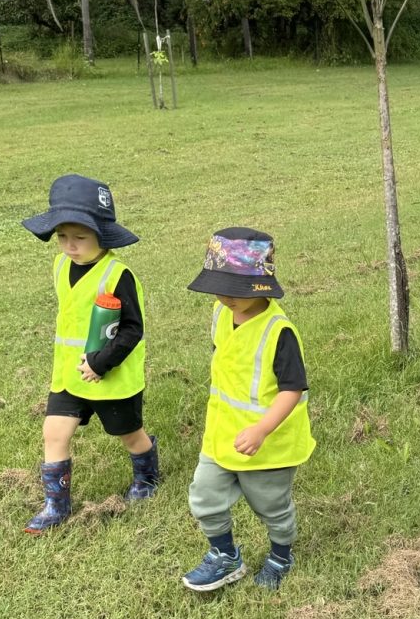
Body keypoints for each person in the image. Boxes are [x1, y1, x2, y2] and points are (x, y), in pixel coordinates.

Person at [20, 174, 158, 533]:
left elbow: (132, 330)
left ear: (102, 236)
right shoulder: (60, 267)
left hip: (111, 378)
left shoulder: (118, 275)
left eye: (80, 237)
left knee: (129, 434)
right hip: (68, 376)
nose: (70, 245)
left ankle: (146, 475)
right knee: (54, 433)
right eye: (62, 237)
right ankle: (56, 505)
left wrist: (100, 362)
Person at [181, 228, 315, 592]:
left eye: (235, 289)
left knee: (271, 507)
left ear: (259, 286)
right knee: (204, 496)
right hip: (222, 435)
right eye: (219, 287)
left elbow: (292, 390)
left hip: (268, 444)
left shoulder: (278, 332)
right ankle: (225, 556)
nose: (225, 296)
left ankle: (281, 554)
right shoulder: (221, 314)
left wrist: (260, 430)